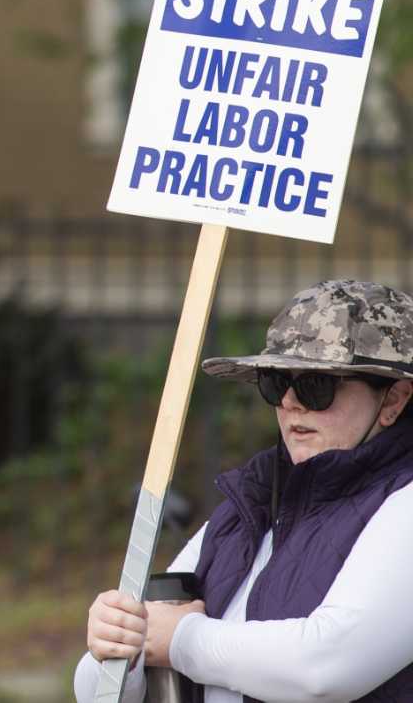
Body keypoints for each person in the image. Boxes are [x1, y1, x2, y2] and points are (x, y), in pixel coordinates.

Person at [76, 278, 413, 703]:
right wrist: (113, 644)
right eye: (276, 383)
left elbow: (325, 668)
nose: (290, 402)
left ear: (394, 400)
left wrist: (183, 640)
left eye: (316, 386)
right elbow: (99, 692)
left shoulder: (405, 503)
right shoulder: (248, 504)